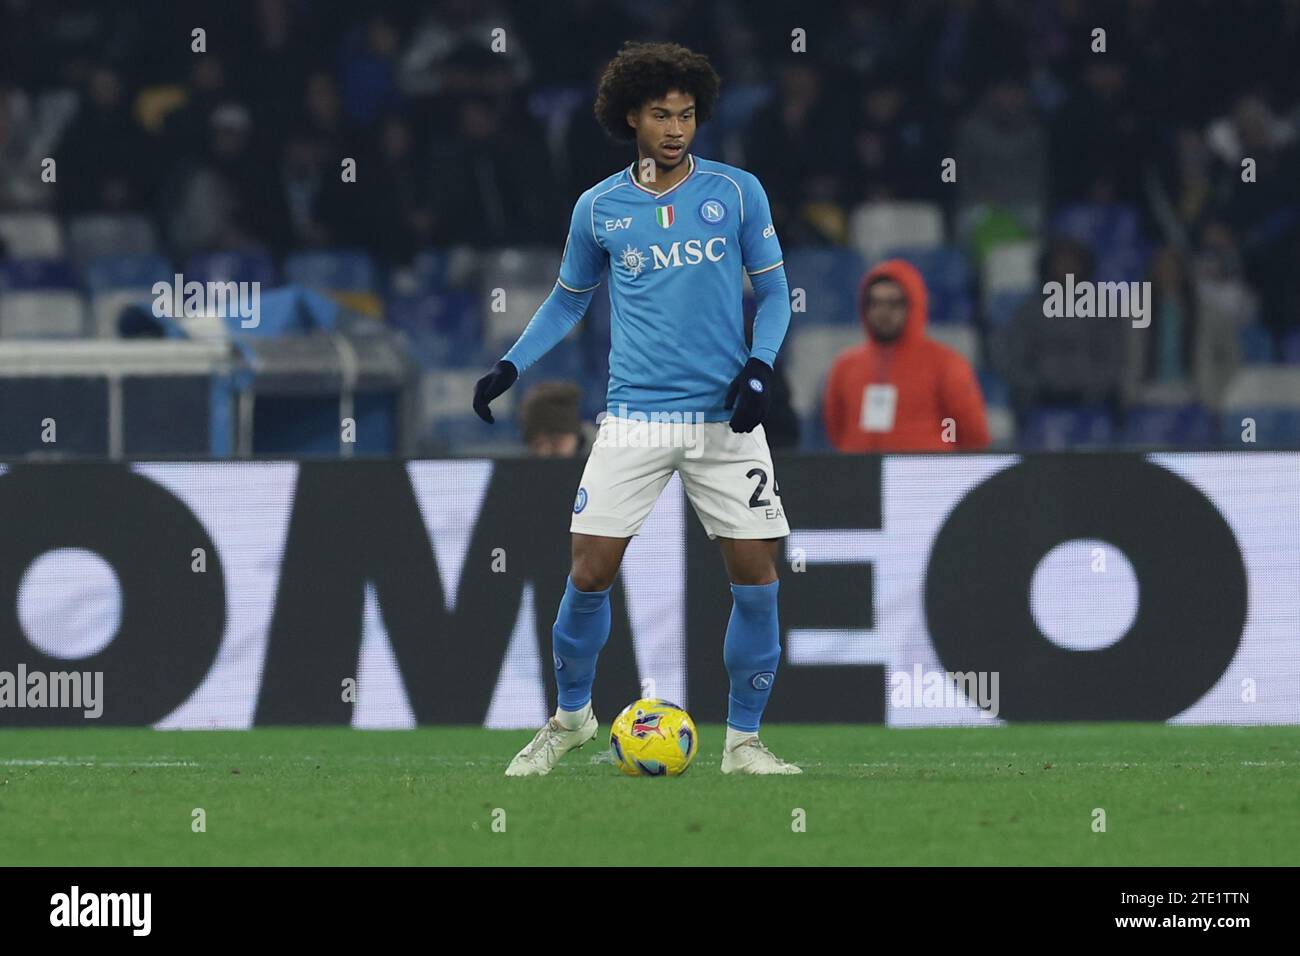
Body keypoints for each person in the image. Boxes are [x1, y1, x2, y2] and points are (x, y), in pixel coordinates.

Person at [472, 41, 799, 776]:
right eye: (661, 114)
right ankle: (571, 720)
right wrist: (510, 365)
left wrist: (759, 368)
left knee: (756, 575)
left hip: (724, 420)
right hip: (635, 418)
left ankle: (743, 743)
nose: (676, 128)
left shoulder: (737, 192)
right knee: (588, 572)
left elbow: (775, 294)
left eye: (686, 114)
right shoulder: (600, 208)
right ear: (631, 118)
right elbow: (567, 301)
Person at [823, 258, 989, 451]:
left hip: (926, 477)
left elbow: (974, 436)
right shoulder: (846, 365)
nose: (882, 312)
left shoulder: (946, 364)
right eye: (874, 303)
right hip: (860, 475)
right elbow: (835, 428)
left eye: (894, 303)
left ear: (913, 304)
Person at [518, 381, 585, 457]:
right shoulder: (521, 466)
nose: (543, 452)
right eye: (537, 444)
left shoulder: (599, 461)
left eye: (555, 442)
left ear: (575, 438)